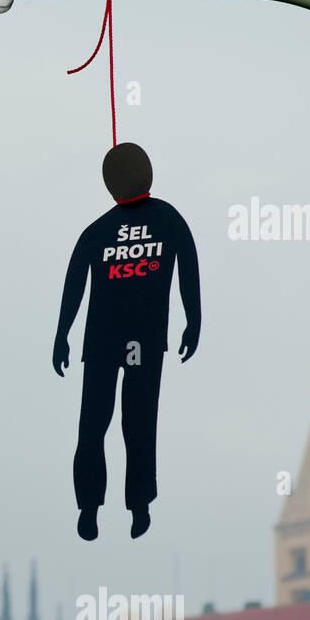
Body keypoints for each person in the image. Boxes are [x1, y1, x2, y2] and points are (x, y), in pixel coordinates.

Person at [52, 142, 201, 540]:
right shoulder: (162, 220)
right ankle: (106, 506)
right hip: (128, 341)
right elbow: (75, 285)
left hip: (116, 340)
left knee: (118, 425)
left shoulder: (104, 229)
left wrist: (62, 335)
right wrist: (61, 335)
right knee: (120, 425)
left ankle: (128, 505)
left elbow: (187, 267)